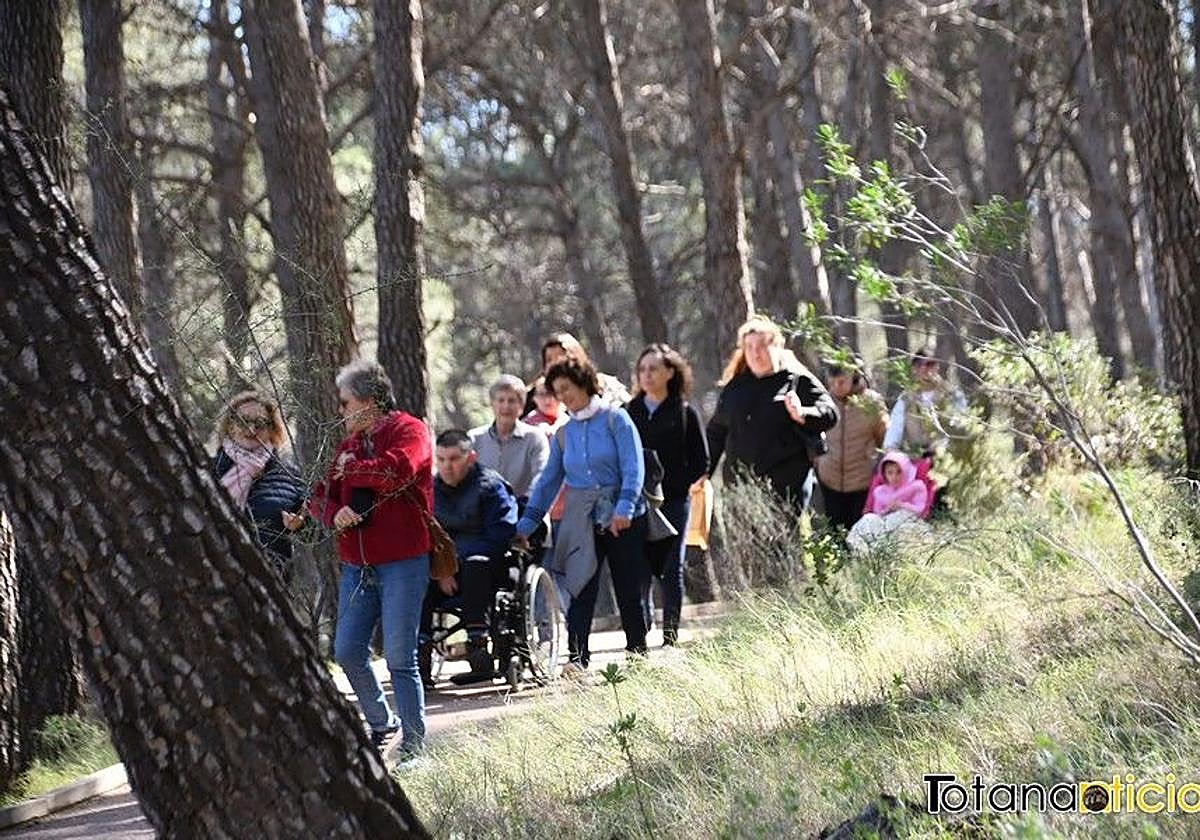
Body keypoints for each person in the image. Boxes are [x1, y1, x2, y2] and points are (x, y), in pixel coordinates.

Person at [308, 360, 434, 758]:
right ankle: (383, 724)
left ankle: (415, 748)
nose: (341, 411)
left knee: (400, 655)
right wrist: (334, 514)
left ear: (367, 402)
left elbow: (398, 472)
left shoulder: (410, 430)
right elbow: (320, 495)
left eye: (345, 403)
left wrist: (353, 470)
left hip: (403, 561)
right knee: (346, 650)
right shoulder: (348, 446)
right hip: (357, 566)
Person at [515, 356, 647, 673]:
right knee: (580, 588)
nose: (562, 397)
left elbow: (634, 467)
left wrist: (624, 508)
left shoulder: (616, 420)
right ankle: (577, 661)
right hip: (581, 519)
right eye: (557, 391)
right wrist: (527, 523)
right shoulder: (564, 433)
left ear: (584, 383)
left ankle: (637, 656)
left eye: (567, 388)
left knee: (628, 588)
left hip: (620, 515)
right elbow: (549, 481)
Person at [706, 317, 837, 514]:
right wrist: (703, 473)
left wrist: (802, 413)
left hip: (785, 491)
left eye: (761, 345)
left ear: (777, 345)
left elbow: (830, 414)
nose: (755, 353)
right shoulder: (735, 387)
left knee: (781, 543)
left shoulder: (796, 380)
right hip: (740, 490)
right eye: (748, 347)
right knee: (742, 544)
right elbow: (716, 434)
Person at [625, 344, 708, 646]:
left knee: (670, 566)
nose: (647, 375)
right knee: (640, 567)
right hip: (635, 501)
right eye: (642, 369)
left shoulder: (685, 412)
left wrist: (678, 487)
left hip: (673, 502)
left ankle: (671, 634)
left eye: (654, 369)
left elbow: (701, 460)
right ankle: (642, 628)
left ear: (670, 372)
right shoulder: (629, 412)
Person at [421, 430, 518, 686]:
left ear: (470, 457)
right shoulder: (430, 490)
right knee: (416, 574)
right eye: (440, 459)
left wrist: (453, 564)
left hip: (487, 568)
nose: (447, 466)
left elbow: (501, 534)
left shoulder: (491, 486)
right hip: (443, 571)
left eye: (453, 459)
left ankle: (478, 647)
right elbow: (424, 534)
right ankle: (419, 657)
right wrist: (442, 570)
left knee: (476, 564)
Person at [211, 391, 307, 579]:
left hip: (270, 584)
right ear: (229, 426)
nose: (252, 429)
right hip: (214, 578)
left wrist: (301, 524)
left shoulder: (289, 475)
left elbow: (315, 531)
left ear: (273, 429)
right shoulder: (206, 469)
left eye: (260, 423)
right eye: (243, 421)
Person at [816, 361, 888, 533]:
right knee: (833, 534)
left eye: (841, 382)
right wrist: (818, 461)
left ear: (853, 378)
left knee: (858, 534)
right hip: (829, 479)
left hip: (862, 481)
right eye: (831, 382)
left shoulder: (871, 402)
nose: (836, 387)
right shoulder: (823, 400)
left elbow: (884, 438)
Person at [469, 375, 549, 506]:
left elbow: (541, 479)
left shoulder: (534, 438)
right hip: (484, 516)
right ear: (492, 404)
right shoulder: (474, 439)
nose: (506, 406)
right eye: (500, 400)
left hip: (526, 513)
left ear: (521, 406)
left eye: (511, 401)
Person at [882, 346, 967, 457]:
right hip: (919, 460)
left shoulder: (953, 395)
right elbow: (893, 434)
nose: (924, 369)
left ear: (937, 366)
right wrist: (893, 453)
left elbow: (961, 426)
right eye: (919, 364)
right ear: (914, 369)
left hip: (949, 459)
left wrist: (941, 446)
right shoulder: (906, 400)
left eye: (929, 364)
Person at [524, 332, 631, 414]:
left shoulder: (607, 385)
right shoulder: (534, 396)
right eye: (549, 359)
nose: (555, 363)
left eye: (562, 356)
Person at [846, 451, 930, 554]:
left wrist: (902, 505)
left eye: (899, 472)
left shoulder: (916, 487)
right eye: (890, 473)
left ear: (906, 470)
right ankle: (865, 552)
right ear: (884, 474)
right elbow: (877, 514)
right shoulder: (881, 492)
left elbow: (920, 509)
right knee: (868, 519)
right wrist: (888, 510)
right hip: (885, 524)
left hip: (908, 524)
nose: (894, 477)